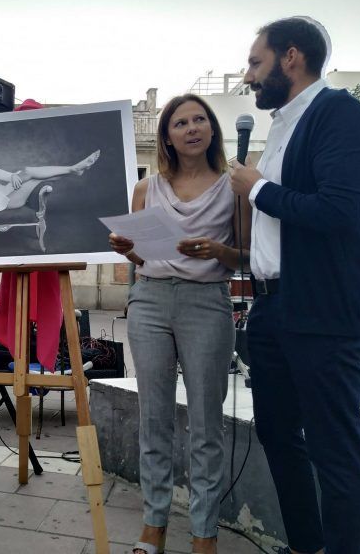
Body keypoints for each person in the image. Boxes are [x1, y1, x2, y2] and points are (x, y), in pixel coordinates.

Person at [230, 17, 360, 554]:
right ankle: (306, 546)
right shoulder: (282, 125)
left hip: (320, 314)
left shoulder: (338, 113)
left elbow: (340, 209)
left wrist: (257, 187)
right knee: (279, 438)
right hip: (269, 311)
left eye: (256, 63)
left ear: (291, 57)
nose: (249, 75)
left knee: (335, 449)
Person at [109, 94, 251, 554]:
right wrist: (125, 249)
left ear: (212, 128)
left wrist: (218, 252)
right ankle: (154, 525)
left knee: (207, 424)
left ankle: (204, 533)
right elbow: (140, 257)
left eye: (199, 119)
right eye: (180, 122)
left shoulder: (235, 185)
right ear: (166, 135)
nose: (191, 128)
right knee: (154, 419)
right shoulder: (147, 187)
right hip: (149, 299)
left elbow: (249, 257)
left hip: (207, 302)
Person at [0, 145, 100, 211]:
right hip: (2, 203)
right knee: (35, 178)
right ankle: (73, 170)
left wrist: (13, 176)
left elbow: (8, 175)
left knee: (28, 172)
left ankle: (73, 169)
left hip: (6, 192)